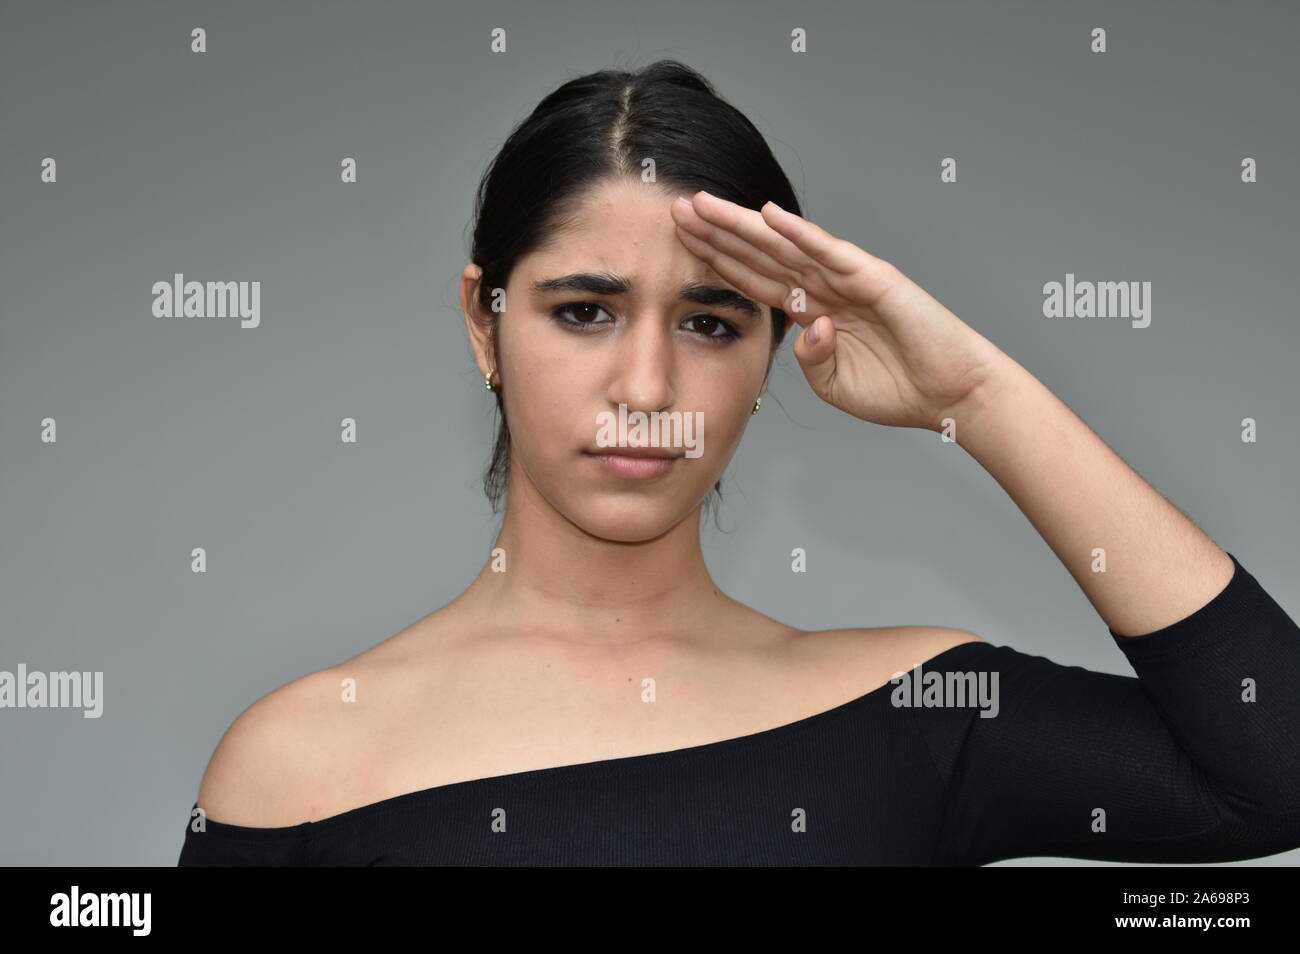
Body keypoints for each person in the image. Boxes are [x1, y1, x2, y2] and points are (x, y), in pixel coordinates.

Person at [178, 59, 1300, 866]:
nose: (648, 389)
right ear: (486, 321)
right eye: (584, 311)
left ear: (774, 346)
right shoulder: (301, 757)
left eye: (712, 323)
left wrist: (977, 397)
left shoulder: (922, 712)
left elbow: (1271, 768)